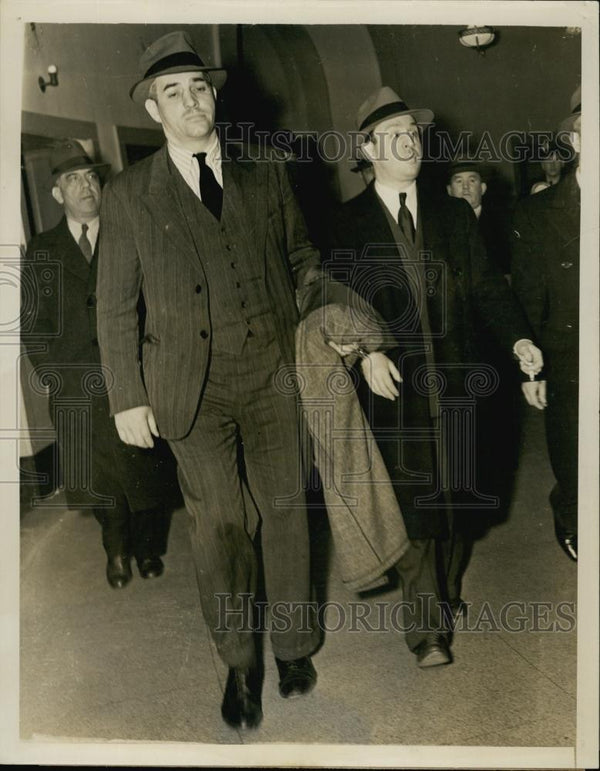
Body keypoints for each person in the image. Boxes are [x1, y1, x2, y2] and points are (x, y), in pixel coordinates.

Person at [96, 31, 322, 729]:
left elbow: (303, 257)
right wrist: (127, 394)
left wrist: (323, 325)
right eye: (173, 92)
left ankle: (291, 645)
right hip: (187, 386)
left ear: (213, 96)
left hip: (273, 372)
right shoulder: (130, 193)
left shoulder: (265, 171)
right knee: (220, 525)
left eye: (199, 86)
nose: (191, 100)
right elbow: (114, 301)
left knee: (285, 510)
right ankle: (240, 663)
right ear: (153, 110)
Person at [325, 86, 543, 667]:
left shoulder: (451, 214)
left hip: (459, 382)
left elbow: (485, 288)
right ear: (368, 150)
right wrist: (365, 352)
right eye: (396, 135)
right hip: (392, 390)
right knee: (414, 506)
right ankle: (427, 630)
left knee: (457, 503)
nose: (411, 143)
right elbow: (336, 304)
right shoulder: (345, 226)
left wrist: (519, 338)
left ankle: (443, 593)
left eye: (415, 134)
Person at [22, 139, 171, 589]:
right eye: (72, 179)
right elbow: (34, 324)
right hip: (76, 385)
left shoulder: (129, 232)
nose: (85, 186)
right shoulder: (43, 249)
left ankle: (148, 547)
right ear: (56, 193)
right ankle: (116, 551)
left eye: (90, 176)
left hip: (133, 378)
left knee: (143, 472)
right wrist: (54, 375)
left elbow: (157, 304)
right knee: (102, 480)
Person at [511, 87, 581, 561]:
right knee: (574, 459)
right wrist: (531, 371)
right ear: (575, 141)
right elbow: (529, 299)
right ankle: (571, 512)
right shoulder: (538, 214)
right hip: (568, 357)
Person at [446, 160, 512, 275]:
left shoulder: (503, 224)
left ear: (483, 188)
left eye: (472, 181)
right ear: (449, 190)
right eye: (459, 181)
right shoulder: (440, 226)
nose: (465, 187)